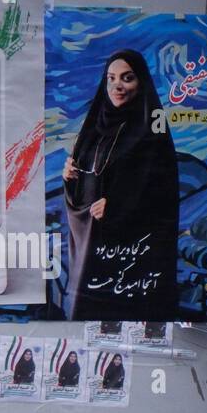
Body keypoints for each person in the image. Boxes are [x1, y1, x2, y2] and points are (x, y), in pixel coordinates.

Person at [63, 49, 179, 321]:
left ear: (142, 83)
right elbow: (85, 180)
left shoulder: (153, 129)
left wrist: (119, 206)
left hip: (133, 253)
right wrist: (70, 177)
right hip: (95, 246)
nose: (117, 85)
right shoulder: (93, 128)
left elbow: (164, 192)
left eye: (127, 78)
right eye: (111, 78)